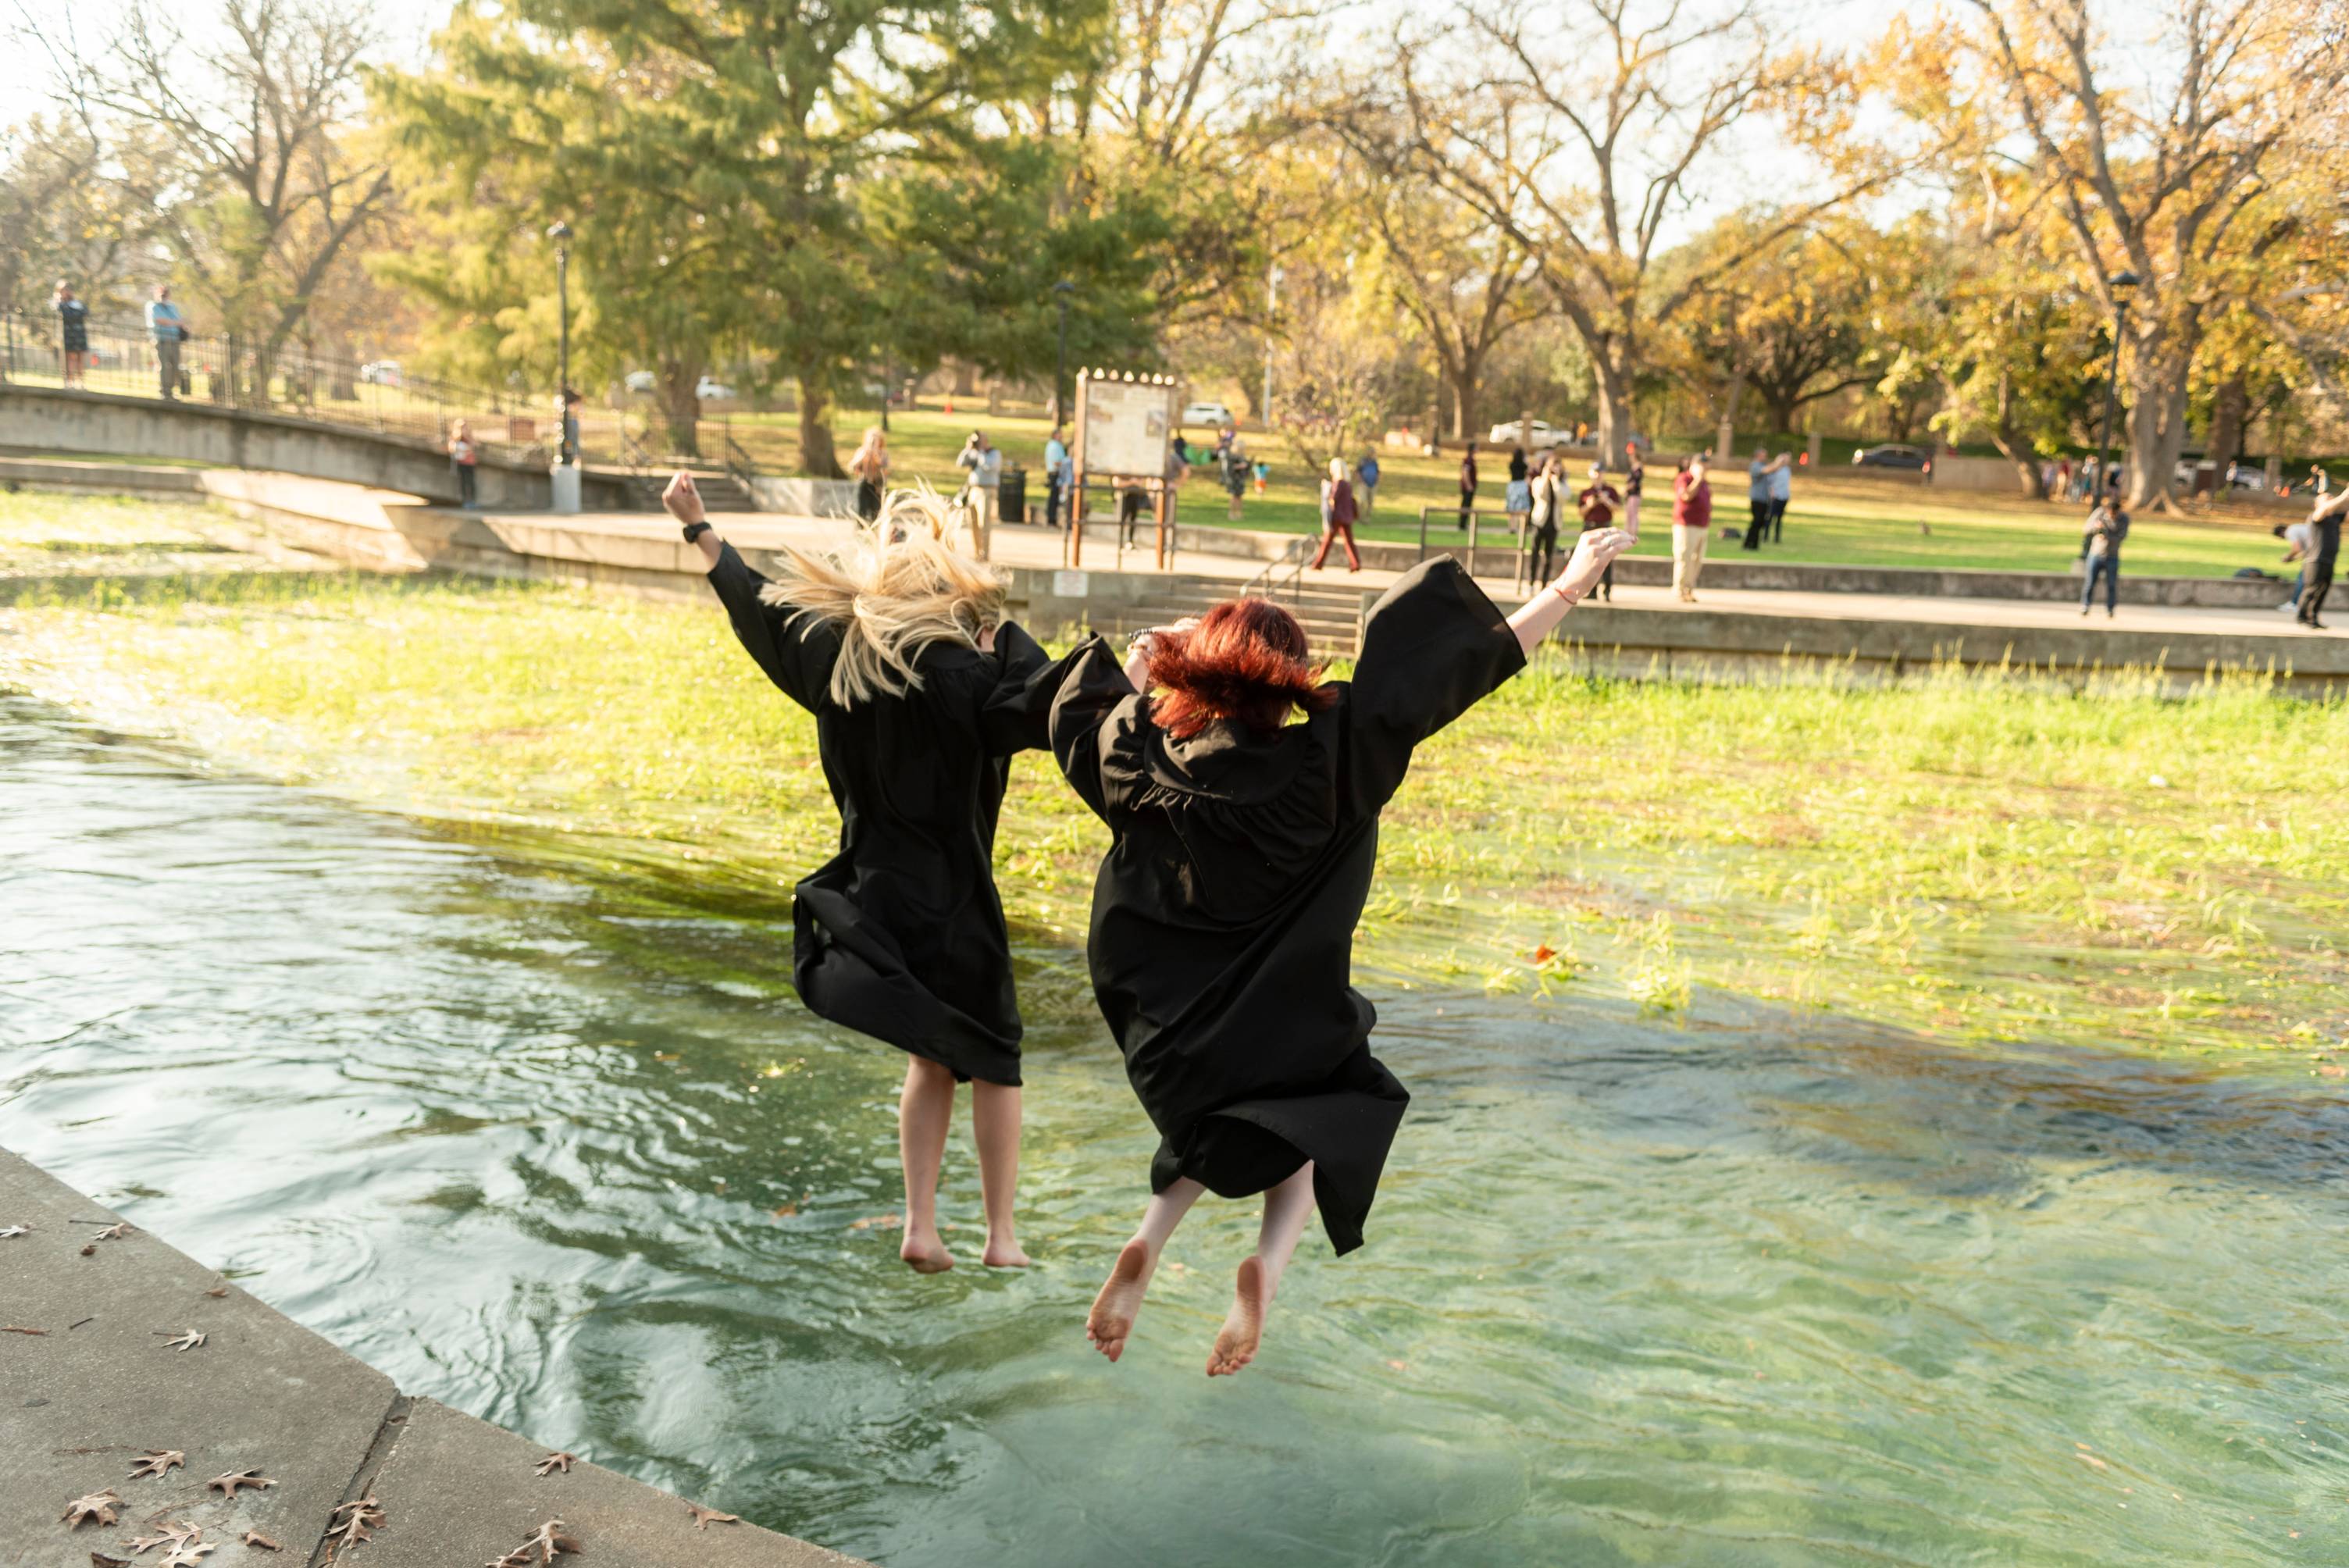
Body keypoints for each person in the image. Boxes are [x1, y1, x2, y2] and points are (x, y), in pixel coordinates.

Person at [1040, 527, 1634, 1375]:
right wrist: (1569, 584)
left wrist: (1145, 654)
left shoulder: (1138, 760)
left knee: (1228, 1112)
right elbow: (1456, 670)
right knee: (1319, 1102)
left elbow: (1084, 719)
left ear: (1201, 674)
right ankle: (1266, 1269)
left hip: (1168, 1035)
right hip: (1287, 1029)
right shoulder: (1332, 758)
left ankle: (1148, 1240)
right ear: (1289, 682)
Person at [661, 470, 1053, 1272]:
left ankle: (920, 1225)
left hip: (870, 893)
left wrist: (697, 525)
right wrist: (1004, 641)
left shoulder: (836, 662)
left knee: (928, 1055)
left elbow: (755, 607)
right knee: (995, 1060)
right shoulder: (970, 680)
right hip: (956, 899)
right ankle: (1000, 1236)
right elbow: (1048, 702)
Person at [1576, 463, 1624, 601]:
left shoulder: (1610, 490)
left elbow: (1617, 508)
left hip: (1605, 527)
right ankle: (1591, 590)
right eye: (1595, 472)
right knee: (1589, 560)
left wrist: (1606, 501)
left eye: (1600, 472)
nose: (1597, 475)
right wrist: (1589, 505)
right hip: (1590, 527)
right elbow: (1580, 512)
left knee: (1607, 558)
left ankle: (1607, 590)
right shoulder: (1586, 492)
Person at [2301, 486, 2347, 630]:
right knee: (2311, 590)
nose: (2330, 500)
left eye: (2331, 498)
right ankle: (2302, 617)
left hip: (2329, 560)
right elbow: (2325, 508)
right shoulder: (2316, 516)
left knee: (2323, 590)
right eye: (2326, 498)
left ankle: (2313, 617)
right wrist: (2345, 494)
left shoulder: (2335, 519)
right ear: (2317, 503)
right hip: (2315, 560)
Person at [2079, 492, 2130, 618]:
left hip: (2112, 555)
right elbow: (2086, 529)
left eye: (2115, 514)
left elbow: (2121, 537)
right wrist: (2097, 528)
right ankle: (2085, 605)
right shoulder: (2100, 514)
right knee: (2090, 582)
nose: (2112, 516)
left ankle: (2110, 609)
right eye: (2111, 513)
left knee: (2112, 584)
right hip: (2096, 554)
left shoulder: (2124, 519)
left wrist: (2107, 535)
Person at [954, 430, 1002, 558]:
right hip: (973, 490)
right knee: (973, 522)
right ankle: (977, 551)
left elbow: (988, 466)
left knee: (984, 523)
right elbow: (960, 463)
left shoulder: (994, 453)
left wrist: (981, 451)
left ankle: (985, 553)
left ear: (985, 441)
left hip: (987, 490)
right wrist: (968, 448)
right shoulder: (974, 452)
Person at [1672, 454, 1713, 601]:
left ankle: (1689, 589)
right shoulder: (1684, 478)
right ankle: (1679, 589)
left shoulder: (1705, 483)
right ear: (1694, 466)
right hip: (1686, 525)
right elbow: (1686, 496)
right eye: (1703, 467)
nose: (1705, 470)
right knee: (1685, 557)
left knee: (1697, 560)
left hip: (1702, 525)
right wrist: (1697, 480)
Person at [1310, 456, 1361, 572]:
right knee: (1349, 541)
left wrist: (1325, 489)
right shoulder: (1347, 483)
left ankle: (1318, 564)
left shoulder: (1339, 483)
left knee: (1327, 540)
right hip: (1347, 516)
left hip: (1337, 517)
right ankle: (1355, 563)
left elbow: (1333, 498)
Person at [1524, 454, 1561, 586]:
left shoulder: (1560, 484)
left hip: (1554, 523)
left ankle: (1544, 583)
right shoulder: (1538, 481)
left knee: (1548, 556)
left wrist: (1556, 480)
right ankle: (1531, 581)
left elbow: (1563, 497)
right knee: (1535, 552)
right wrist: (1546, 478)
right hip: (1539, 522)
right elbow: (1540, 494)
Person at [1741, 447, 1788, 551]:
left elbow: (1774, 469)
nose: (1766, 457)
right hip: (1757, 499)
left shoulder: (1763, 465)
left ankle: (1754, 544)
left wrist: (1780, 463)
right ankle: (1748, 543)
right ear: (1758, 455)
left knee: (1761, 522)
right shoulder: (1755, 466)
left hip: (1764, 500)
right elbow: (1768, 470)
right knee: (1756, 521)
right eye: (1764, 455)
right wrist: (1777, 461)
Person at [145, 285, 186, 401]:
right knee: (164, 365)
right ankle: (165, 392)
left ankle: (172, 391)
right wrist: (175, 323)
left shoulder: (172, 307)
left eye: (166, 294)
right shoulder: (153, 306)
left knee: (175, 365)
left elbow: (180, 321)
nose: (164, 297)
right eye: (162, 294)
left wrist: (174, 323)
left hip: (174, 339)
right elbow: (160, 320)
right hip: (161, 339)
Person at [847, 426, 890, 522]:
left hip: (878, 486)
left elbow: (886, 470)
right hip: (864, 483)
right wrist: (861, 458)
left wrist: (876, 457)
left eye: (876, 439)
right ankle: (860, 529)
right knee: (860, 512)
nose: (873, 441)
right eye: (871, 438)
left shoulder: (884, 454)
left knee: (876, 514)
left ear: (880, 441)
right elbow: (852, 468)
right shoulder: (861, 451)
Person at [55, 282, 89, 389]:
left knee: (80, 358)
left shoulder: (77, 303)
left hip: (79, 334)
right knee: (70, 358)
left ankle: (81, 382)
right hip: (69, 335)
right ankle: (70, 382)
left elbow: (85, 312)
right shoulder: (61, 305)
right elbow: (68, 315)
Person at [2276, 519, 2314, 613]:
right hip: (2319, 550)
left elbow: (2297, 549)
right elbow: (2305, 552)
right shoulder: (2298, 528)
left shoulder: (2290, 531)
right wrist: (2292, 559)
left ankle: (2295, 604)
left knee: (2302, 578)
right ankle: (2304, 604)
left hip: (2316, 553)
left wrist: (2288, 557)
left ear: (2281, 533)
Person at [448, 419, 480, 509]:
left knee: (471, 482)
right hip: (462, 463)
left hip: (470, 463)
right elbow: (451, 448)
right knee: (463, 482)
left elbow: (475, 446)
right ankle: (465, 501)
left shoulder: (469, 437)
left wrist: (469, 439)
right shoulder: (456, 437)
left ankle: (472, 501)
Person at [1221, 435, 1249, 521]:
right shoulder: (1232, 456)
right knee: (1234, 496)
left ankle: (1239, 513)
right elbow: (1229, 468)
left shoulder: (1242, 456)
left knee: (1239, 497)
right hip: (1234, 479)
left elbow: (1246, 467)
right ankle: (1231, 513)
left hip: (1240, 479)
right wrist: (1241, 466)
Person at [1766, 451, 1792, 543]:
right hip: (1775, 496)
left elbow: (1786, 484)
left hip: (1784, 496)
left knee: (1779, 518)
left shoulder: (1787, 470)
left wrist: (1788, 495)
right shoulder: (1774, 470)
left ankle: (1777, 538)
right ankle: (1766, 536)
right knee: (1770, 517)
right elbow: (1769, 482)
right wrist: (1772, 492)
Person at [1620, 447, 1645, 541]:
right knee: (1629, 514)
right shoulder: (1634, 468)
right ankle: (1628, 532)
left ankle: (1632, 533)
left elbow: (1634, 483)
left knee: (1633, 514)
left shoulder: (1638, 469)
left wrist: (1625, 490)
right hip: (1631, 495)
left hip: (1634, 495)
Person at [1457, 441, 1479, 530]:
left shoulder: (1471, 460)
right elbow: (1465, 472)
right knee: (1466, 505)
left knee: (1468, 505)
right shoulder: (1469, 460)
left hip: (1469, 487)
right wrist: (1469, 485)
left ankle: (1464, 523)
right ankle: (1462, 524)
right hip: (1468, 488)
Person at [559, 388, 583, 466]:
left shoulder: (568, 403)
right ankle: (572, 456)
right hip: (572, 422)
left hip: (570, 422)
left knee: (570, 440)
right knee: (572, 440)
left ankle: (572, 456)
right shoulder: (571, 403)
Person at [1356, 451, 1381, 516]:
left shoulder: (1375, 463)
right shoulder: (1363, 462)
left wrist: (1377, 481)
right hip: (1364, 484)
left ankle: (1367, 516)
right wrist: (1361, 481)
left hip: (1373, 484)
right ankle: (1359, 515)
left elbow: (1378, 472)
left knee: (1370, 502)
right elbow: (1358, 472)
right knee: (1362, 500)